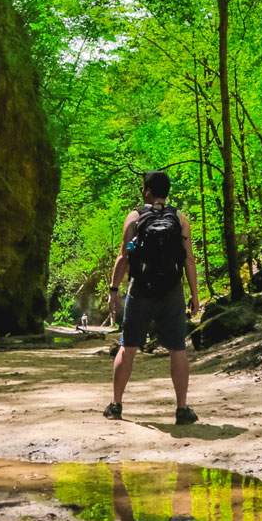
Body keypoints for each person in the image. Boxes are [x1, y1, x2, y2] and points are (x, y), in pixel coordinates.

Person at [104, 170, 200, 424]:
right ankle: (182, 409)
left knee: (128, 347)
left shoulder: (135, 217)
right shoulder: (179, 218)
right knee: (177, 348)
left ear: (146, 190)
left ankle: (116, 405)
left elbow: (124, 257)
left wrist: (114, 290)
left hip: (141, 290)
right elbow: (189, 260)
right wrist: (195, 296)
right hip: (172, 290)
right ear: (167, 191)